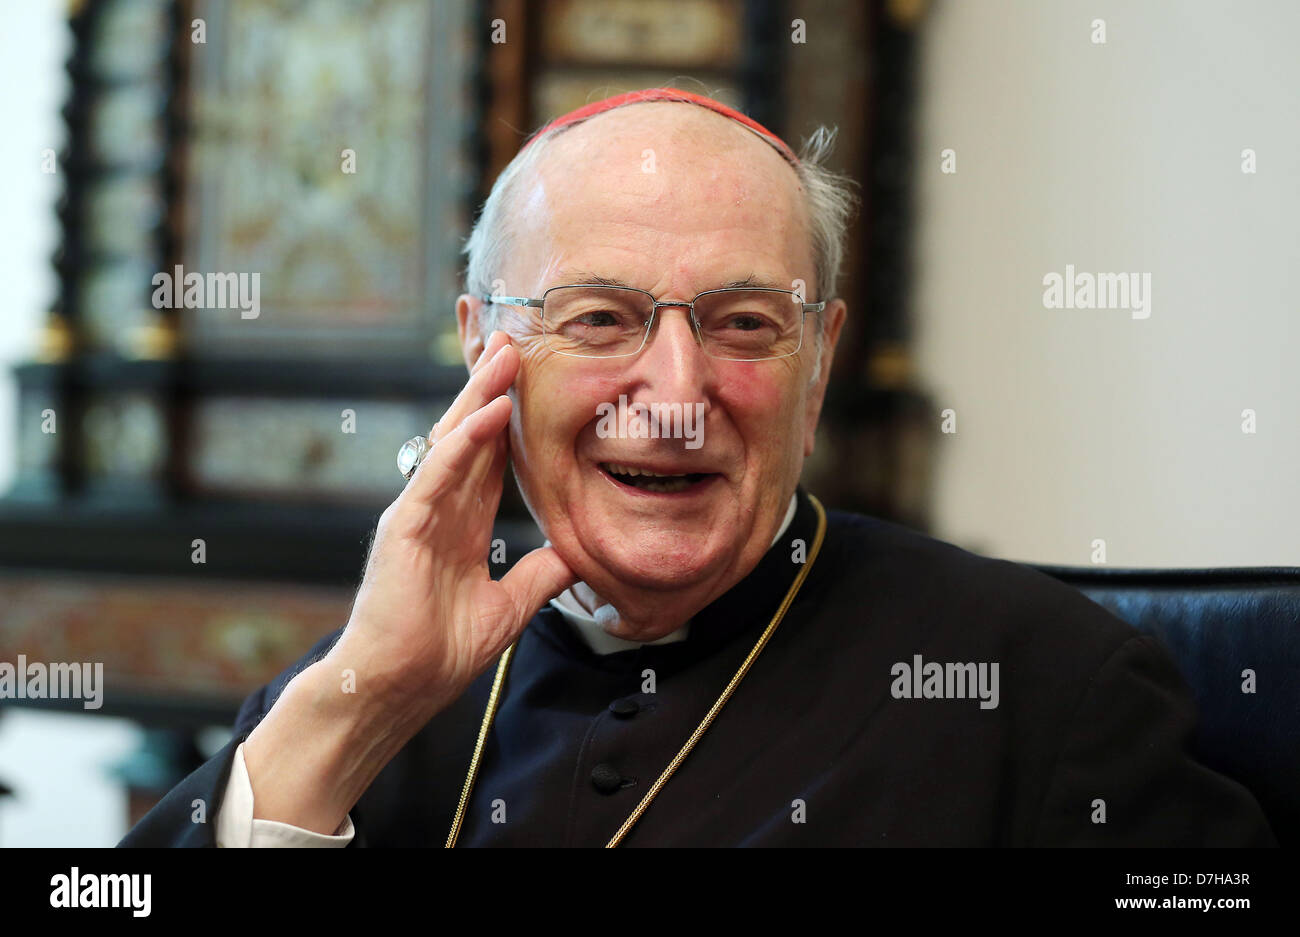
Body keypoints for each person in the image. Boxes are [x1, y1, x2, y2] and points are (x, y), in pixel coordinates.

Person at [120, 89, 1276, 847]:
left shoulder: (1046, 683)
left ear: (817, 361)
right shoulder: (358, 679)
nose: (674, 399)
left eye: (743, 325)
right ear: (485, 350)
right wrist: (351, 708)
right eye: (600, 317)